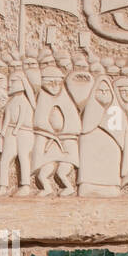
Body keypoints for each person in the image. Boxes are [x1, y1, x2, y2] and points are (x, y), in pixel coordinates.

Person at [31, 61, 81, 195]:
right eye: (49, 82)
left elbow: (75, 123)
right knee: (43, 171)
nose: (54, 86)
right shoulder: (42, 98)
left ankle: (69, 187)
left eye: (57, 82)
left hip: (66, 140)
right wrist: (49, 132)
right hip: (47, 141)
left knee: (62, 171)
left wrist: (63, 133)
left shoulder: (66, 99)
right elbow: (38, 121)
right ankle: (47, 188)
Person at [78, 76, 124, 196]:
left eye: (106, 91)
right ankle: (88, 185)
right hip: (92, 144)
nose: (104, 93)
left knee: (111, 159)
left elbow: (120, 132)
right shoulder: (90, 107)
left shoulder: (116, 109)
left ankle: (111, 186)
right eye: (100, 90)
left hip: (111, 145)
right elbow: (85, 128)